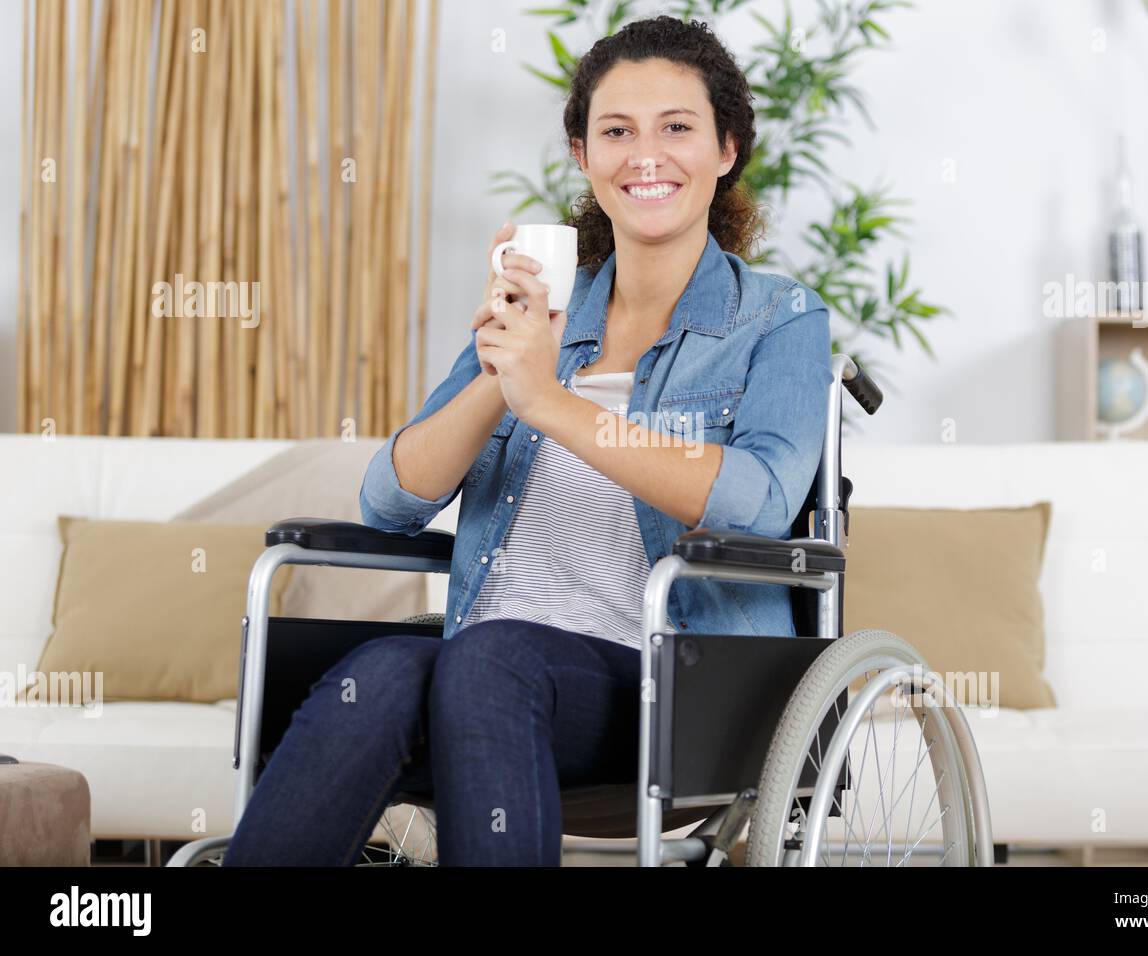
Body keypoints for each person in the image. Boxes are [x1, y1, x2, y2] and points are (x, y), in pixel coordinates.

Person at [222, 14, 832, 867]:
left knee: (489, 657)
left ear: (727, 148)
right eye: (616, 131)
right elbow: (390, 500)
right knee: (387, 670)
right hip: (488, 676)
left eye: (677, 128)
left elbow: (761, 504)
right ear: (583, 156)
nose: (645, 155)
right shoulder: (544, 309)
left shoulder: (778, 318)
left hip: (671, 691)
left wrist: (549, 402)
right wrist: (497, 373)